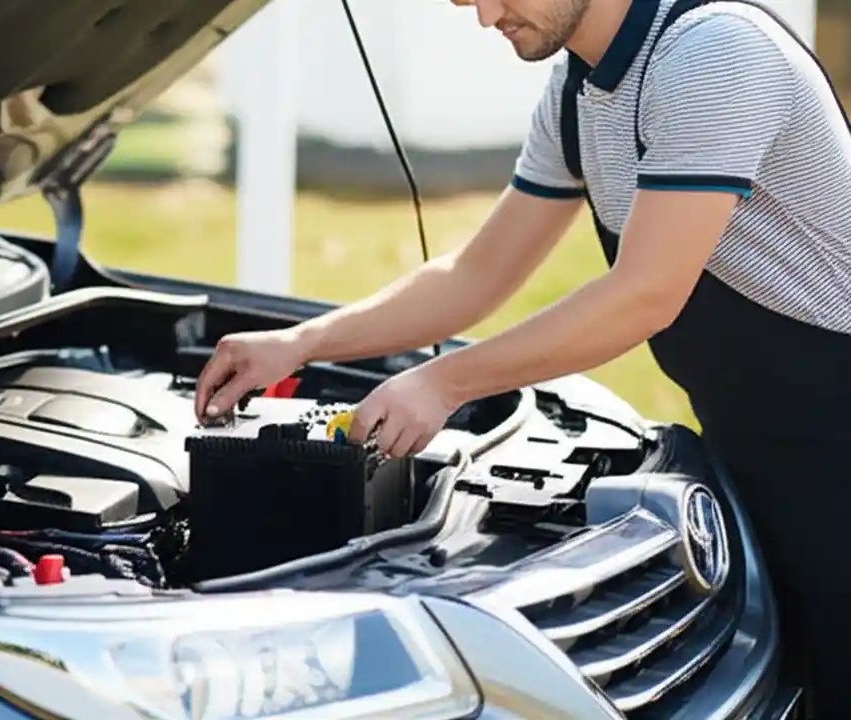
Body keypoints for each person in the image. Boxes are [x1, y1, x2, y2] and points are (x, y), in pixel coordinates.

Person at [194, 0, 851, 713]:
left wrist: (443, 384)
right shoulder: (578, 91)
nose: (483, 16)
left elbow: (644, 294)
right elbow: (476, 276)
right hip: (762, 447)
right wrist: (302, 342)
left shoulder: (713, 55)